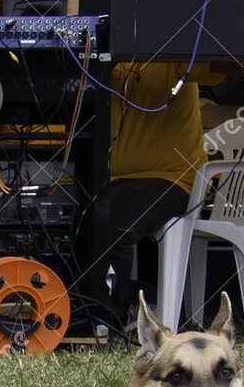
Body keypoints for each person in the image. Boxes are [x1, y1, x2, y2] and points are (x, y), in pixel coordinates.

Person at [83, 61, 218, 325]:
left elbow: (227, 67)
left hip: (173, 177)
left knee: (116, 223)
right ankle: (100, 302)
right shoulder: (110, 59)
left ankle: (118, 307)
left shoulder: (175, 53)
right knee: (85, 216)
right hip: (120, 179)